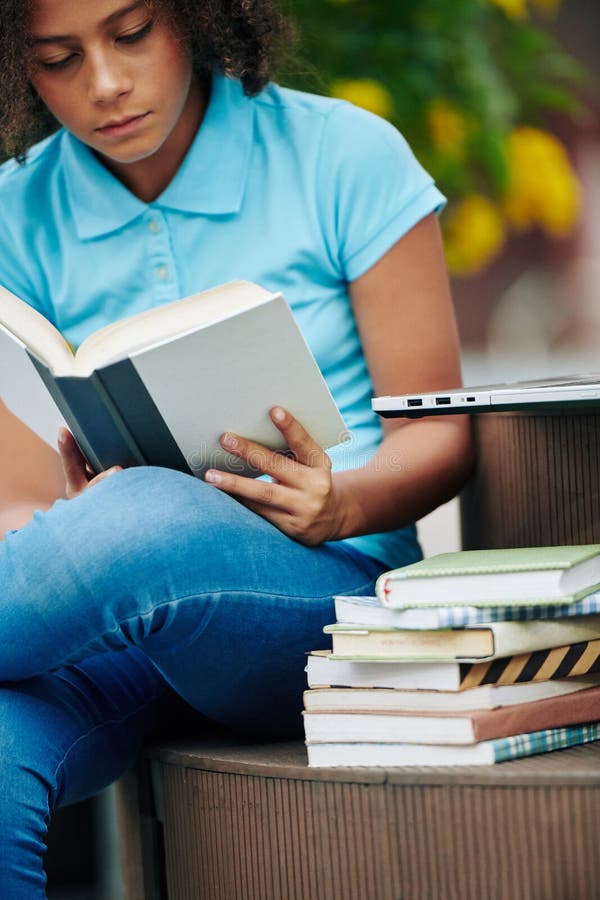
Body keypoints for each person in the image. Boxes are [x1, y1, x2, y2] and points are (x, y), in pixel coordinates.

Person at [0, 0, 472, 894]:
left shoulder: (344, 156)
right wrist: (73, 513)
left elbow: (441, 434)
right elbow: (18, 512)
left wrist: (344, 504)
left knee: (143, 518)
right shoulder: (15, 208)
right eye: (56, 58)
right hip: (107, 618)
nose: (104, 84)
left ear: (198, 15)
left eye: (132, 34)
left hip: (329, 600)